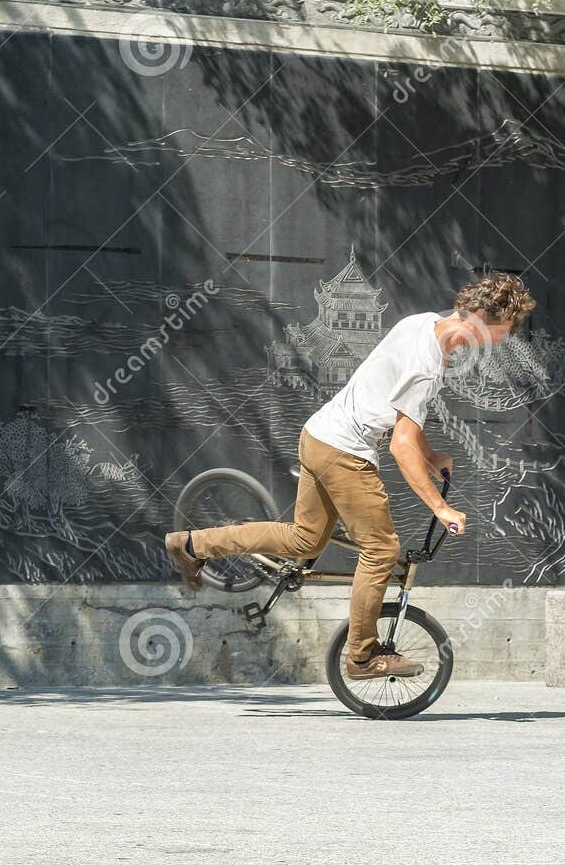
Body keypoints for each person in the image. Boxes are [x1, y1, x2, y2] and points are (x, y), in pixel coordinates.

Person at [165, 271, 536, 679]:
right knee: (380, 550)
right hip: (345, 450)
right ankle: (362, 656)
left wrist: (431, 455)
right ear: (481, 317)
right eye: (505, 329)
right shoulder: (427, 363)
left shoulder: (421, 323)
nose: (504, 339)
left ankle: (192, 544)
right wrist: (441, 506)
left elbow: (401, 421)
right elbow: (400, 445)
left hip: (319, 434)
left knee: (303, 539)